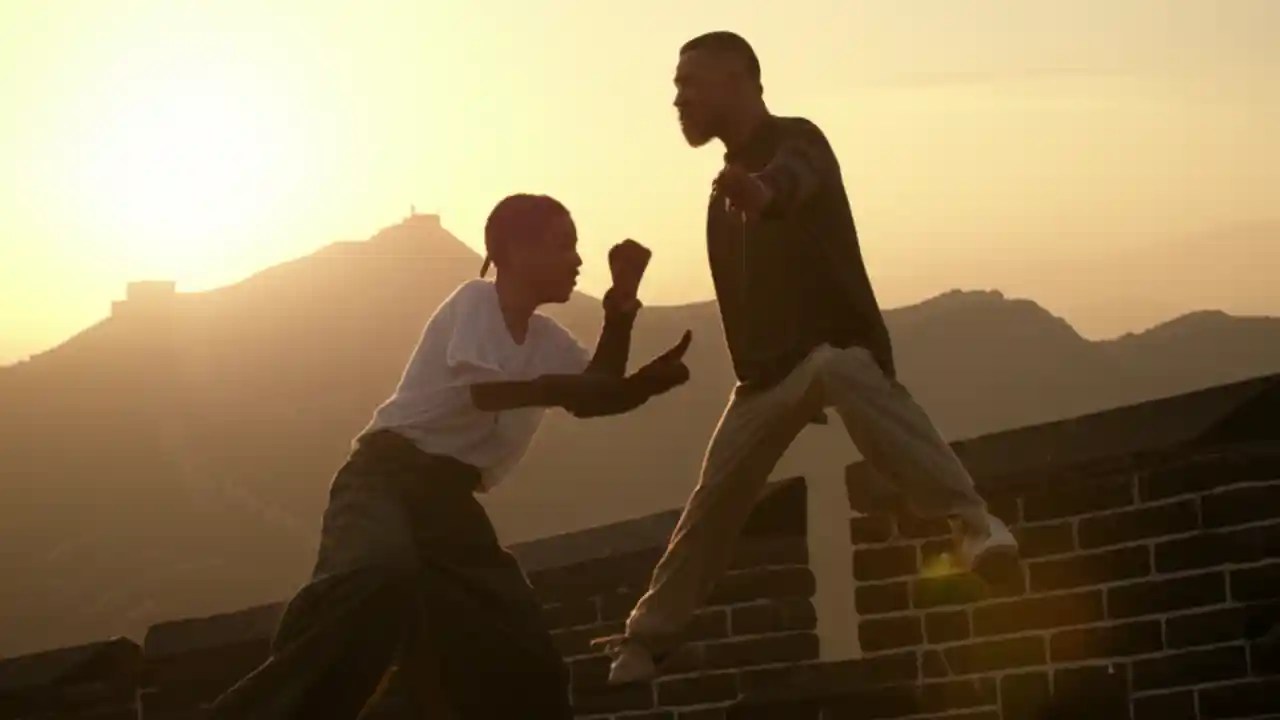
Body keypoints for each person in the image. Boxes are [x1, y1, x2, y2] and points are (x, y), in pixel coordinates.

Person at [602, 32, 1020, 684]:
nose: (678, 99)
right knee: (713, 497)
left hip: (835, 352)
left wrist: (764, 195)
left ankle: (972, 524)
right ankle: (646, 639)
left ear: (738, 80)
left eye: (690, 83)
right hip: (766, 378)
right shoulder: (717, 198)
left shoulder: (799, 139)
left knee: (840, 368)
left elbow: (793, 177)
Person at [208, 193, 693, 718]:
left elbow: (596, 391)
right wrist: (597, 389)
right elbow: (491, 393)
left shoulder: (546, 338)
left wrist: (622, 313)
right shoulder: (475, 303)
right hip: (382, 478)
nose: (577, 260)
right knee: (374, 577)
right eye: (563, 245)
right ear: (514, 251)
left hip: (449, 503)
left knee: (522, 650)